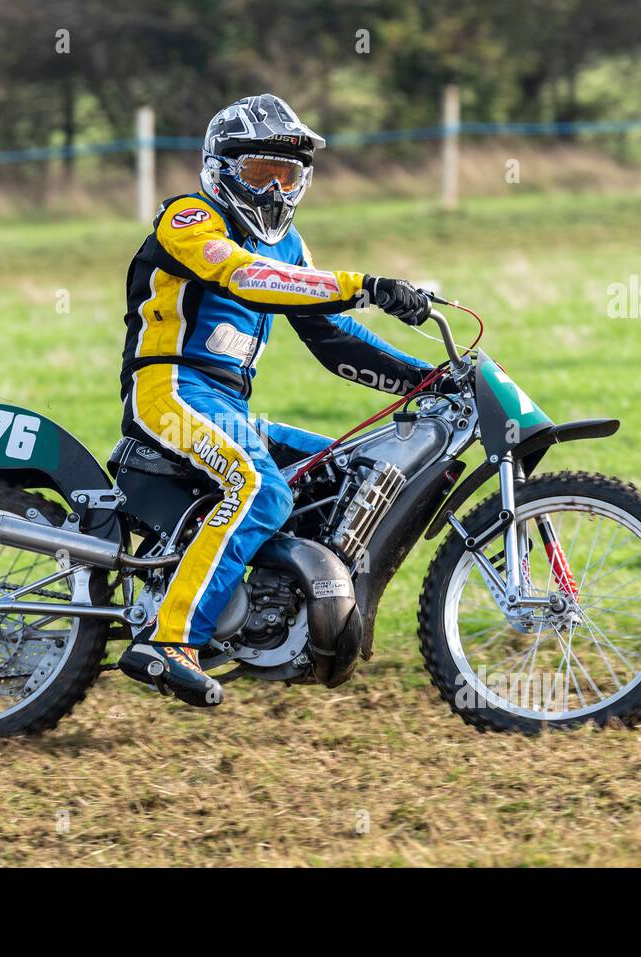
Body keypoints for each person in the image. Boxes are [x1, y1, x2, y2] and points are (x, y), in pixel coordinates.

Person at [115, 93, 436, 707]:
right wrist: (366, 286)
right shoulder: (190, 218)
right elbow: (241, 275)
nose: (276, 190)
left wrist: (426, 377)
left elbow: (330, 335)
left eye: (288, 176)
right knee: (262, 487)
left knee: (351, 472)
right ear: (222, 167)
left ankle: (276, 616)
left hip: (228, 407)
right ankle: (170, 639)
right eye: (261, 172)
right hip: (169, 390)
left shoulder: (290, 246)